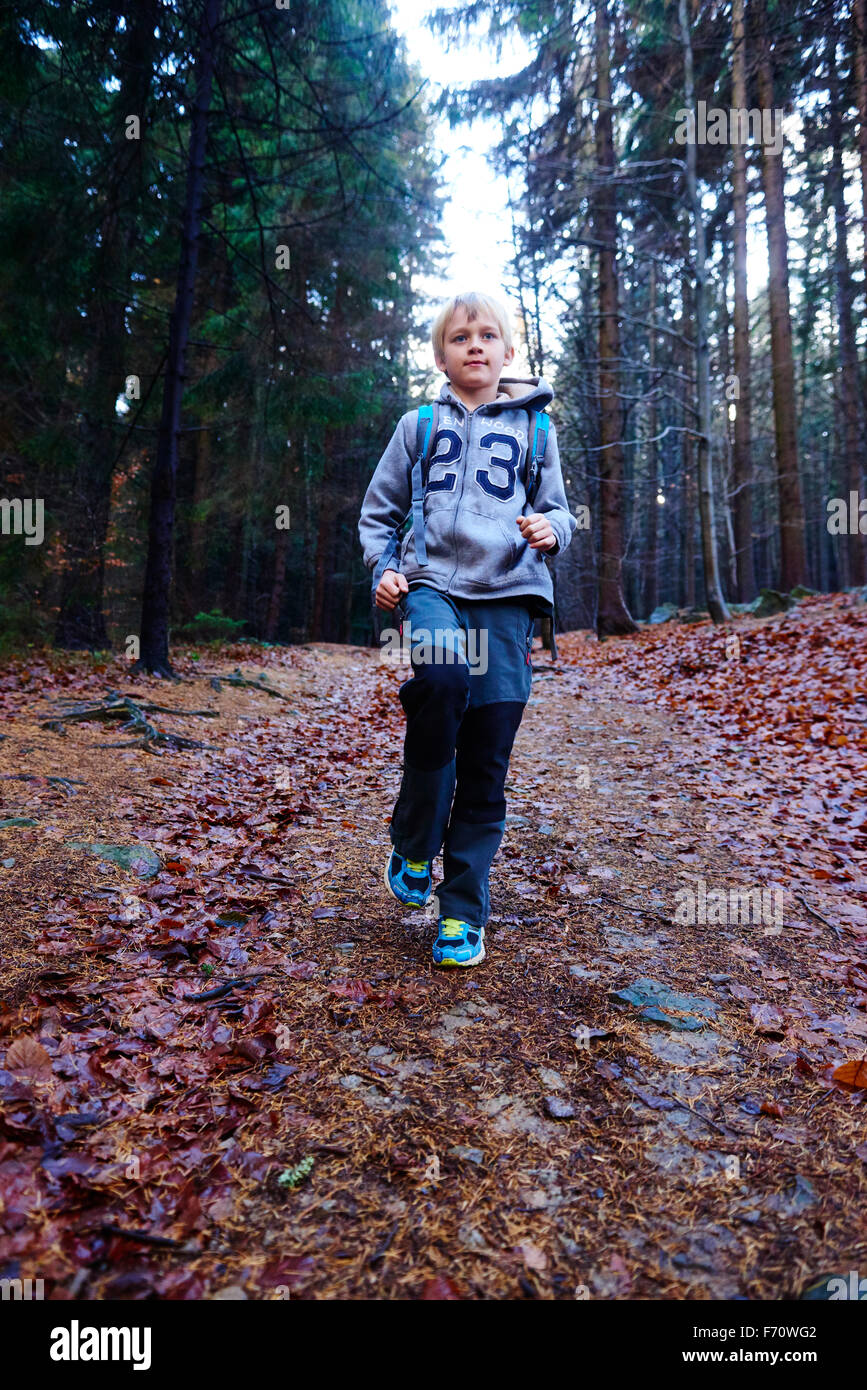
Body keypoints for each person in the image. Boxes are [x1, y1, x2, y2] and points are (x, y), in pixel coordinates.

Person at [358, 291, 578, 967]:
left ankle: (460, 913)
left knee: (485, 757)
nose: (474, 345)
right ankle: (415, 838)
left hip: (509, 597)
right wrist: (381, 570)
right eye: (459, 338)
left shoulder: (537, 430)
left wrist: (551, 531)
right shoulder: (416, 426)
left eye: (487, 336)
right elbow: (378, 511)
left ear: (508, 352)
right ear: (441, 355)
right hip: (430, 588)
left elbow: (558, 511)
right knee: (444, 682)